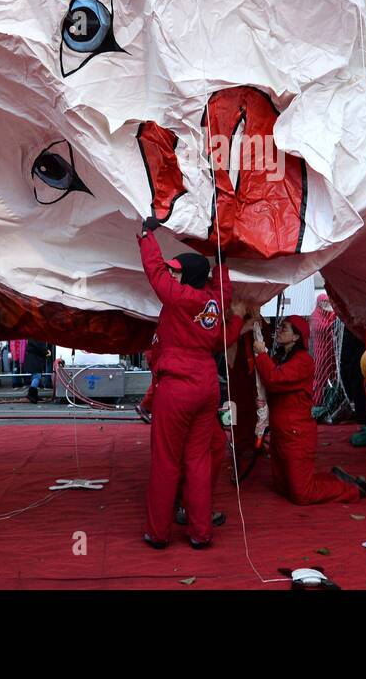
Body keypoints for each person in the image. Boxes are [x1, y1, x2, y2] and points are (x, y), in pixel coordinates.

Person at [137, 216, 242, 550]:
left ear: (189, 276)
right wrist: (220, 263)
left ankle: (158, 533)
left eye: (177, 270)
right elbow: (223, 290)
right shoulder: (214, 302)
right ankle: (200, 533)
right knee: (198, 461)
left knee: (166, 460)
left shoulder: (181, 299)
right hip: (207, 386)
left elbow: (154, 273)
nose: (172, 273)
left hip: (178, 388)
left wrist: (146, 236)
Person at [251, 314, 366, 504]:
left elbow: (274, 380)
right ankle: (336, 479)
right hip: (282, 432)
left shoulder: (303, 361)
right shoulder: (280, 358)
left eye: (284, 328)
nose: (279, 330)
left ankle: (351, 489)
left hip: (296, 434)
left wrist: (261, 355)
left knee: (302, 494)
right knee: (283, 486)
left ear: (296, 337)